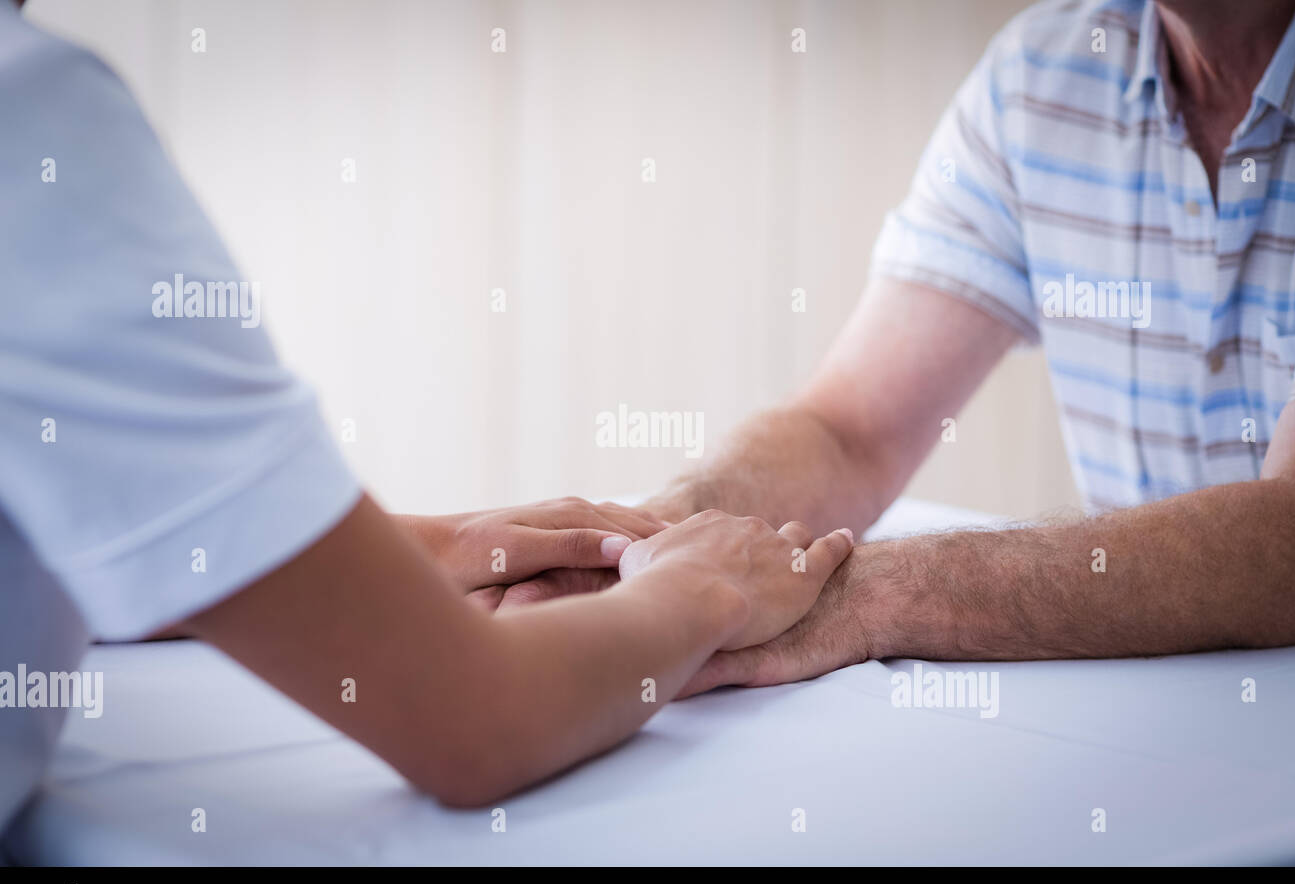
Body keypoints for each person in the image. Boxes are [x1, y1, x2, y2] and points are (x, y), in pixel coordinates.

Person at [0, 0, 855, 835]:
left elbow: (89, 524)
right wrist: (705, 588)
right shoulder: (31, 108)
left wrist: (422, 555)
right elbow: (476, 726)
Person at [632, 0, 1295, 696]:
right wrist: (640, 542)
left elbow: (1292, 539)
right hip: (1143, 725)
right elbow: (852, 431)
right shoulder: (1039, 79)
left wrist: (862, 595)